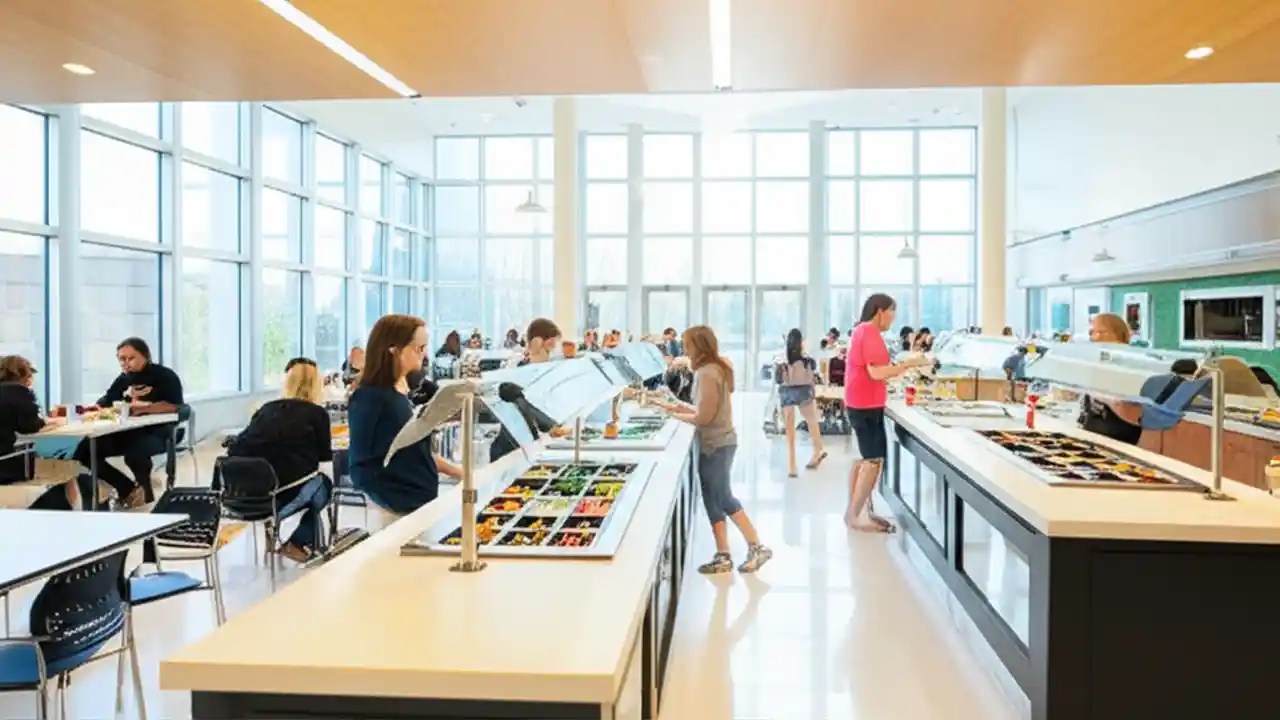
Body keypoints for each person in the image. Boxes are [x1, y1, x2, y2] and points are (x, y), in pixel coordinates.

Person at [657, 326, 771, 575]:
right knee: (712, 500)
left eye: (687, 346)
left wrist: (676, 417)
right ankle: (723, 555)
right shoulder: (714, 369)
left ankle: (757, 546)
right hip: (717, 442)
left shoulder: (707, 374)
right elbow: (700, 410)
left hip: (716, 444)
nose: (684, 351)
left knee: (723, 497)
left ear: (697, 347)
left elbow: (705, 417)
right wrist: (673, 408)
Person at [348, 314, 462, 516]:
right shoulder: (370, 398)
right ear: (393, 350)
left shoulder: (397, 393)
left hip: (415, 503)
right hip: (394, 508)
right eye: (419, 348)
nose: (424, 355)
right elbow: (363, 464)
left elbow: (414, 450)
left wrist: (460, 473)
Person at [226, 360, 333, 561]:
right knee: (324, 486)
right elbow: (324, 459)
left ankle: (283, 538)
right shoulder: (317, 414)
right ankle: (298, 542)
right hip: (278, 499)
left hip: (239, 497)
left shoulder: (266, 409)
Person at [845, 295, 929, 533]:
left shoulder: (862, 331)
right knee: (872, 461)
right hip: (865, 404)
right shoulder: (868, 332)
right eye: (893, 311)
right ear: (880, 311)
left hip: (860, 402)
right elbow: (876, 373)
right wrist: (908, 365)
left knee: (864, 460)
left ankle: (857, 511)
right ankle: (856, 516)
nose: (893, 317)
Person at [75, 337, 183, 508]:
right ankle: (127, 489)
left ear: (145, 356)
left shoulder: (165, 376)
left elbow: (174, 406)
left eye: (130, 358)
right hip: (127, 430)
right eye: (121, 359)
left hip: (159, 431)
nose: (125, 363)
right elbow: (108, 400)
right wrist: (93, 409)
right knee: (85, 450)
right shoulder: (123, 379)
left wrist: (140, 409)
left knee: (135, 453)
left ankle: (146, 494)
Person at [0, 356, 85, 510]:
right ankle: (78, 516)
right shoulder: (21, 393)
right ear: (24, 375)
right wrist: (54, 421)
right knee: (68, 470)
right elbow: (31, 427)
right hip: (7, 466)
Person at [1078, 313, 1144, 444]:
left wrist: (1102, 395)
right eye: (1092, 332)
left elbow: (1134, 413)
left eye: (1101, 332)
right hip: (1093, 435)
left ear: (1118, 334)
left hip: (1118, 437)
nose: (1095, 337)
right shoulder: (1099, 361)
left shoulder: (1131, 363)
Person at [777, 328, 826, 477]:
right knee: (812, 422)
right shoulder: (807, 360)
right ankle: (817, 451)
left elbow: (779, 379)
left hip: (787, 392)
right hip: (804, 391)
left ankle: (792, 465)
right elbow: (812, 376)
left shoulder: (783, 359)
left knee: (790, 431)